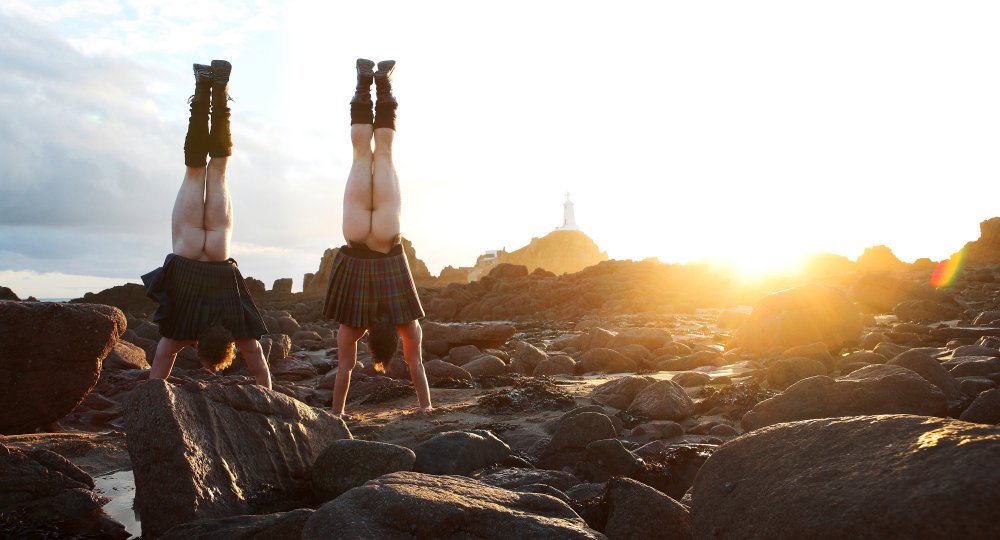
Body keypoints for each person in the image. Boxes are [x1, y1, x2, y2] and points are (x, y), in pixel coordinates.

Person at [142, 60, 272, 389]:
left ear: (228, 345)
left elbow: (259, 366)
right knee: (195, 170)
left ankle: (221, 91)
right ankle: (203, 87)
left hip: (217, 254)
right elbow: (161, 365)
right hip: (187, 254)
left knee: (219, 168)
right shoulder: (178, 336)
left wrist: (268, 391)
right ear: (201, 347)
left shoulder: (240, 333)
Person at [323, 59, 432, 418]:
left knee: (380, 151)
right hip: (357, 236)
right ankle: (361, 84)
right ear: (372, 341)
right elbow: (351, 369)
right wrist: (425, 408)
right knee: (361, 155)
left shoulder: (402, 323)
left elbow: (345, 371)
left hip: (384, 235)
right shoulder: (356, 326)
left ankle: (380, 84)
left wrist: (337, 415)